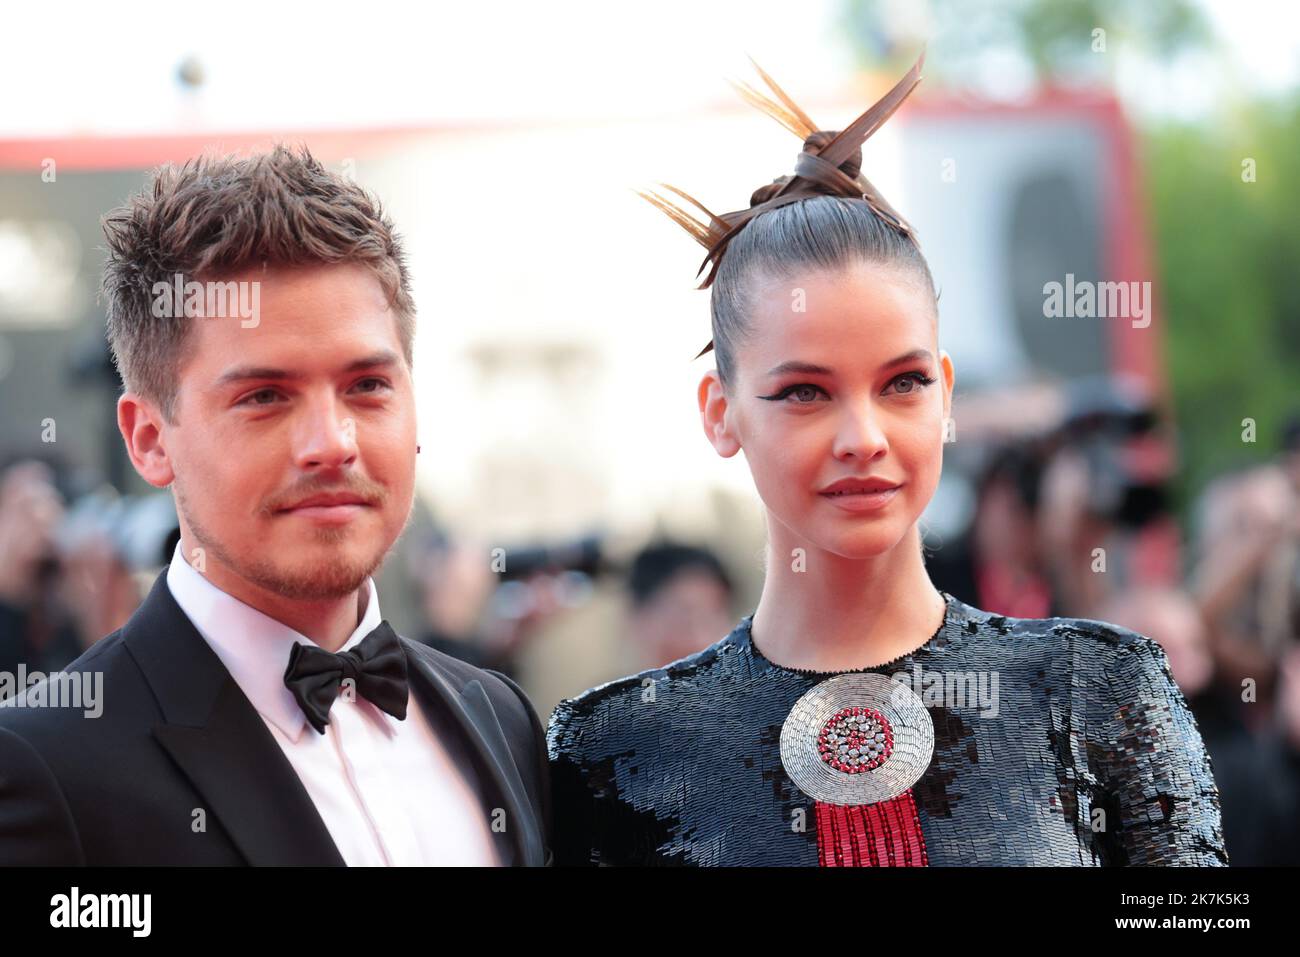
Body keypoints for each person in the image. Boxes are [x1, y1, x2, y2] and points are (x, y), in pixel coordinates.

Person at [546, 53, 1226, 866]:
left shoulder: (1098, 690)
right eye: (804, 392)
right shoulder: (616, 746)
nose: (863, 435)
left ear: (943, 396)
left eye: (901, 382)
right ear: (720, 414)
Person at [0, 146, 550, 866]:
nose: (332, 443)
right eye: (264, 396)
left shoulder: (499, 718)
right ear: (147, 438)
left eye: (367, 386)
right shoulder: (46, 767)